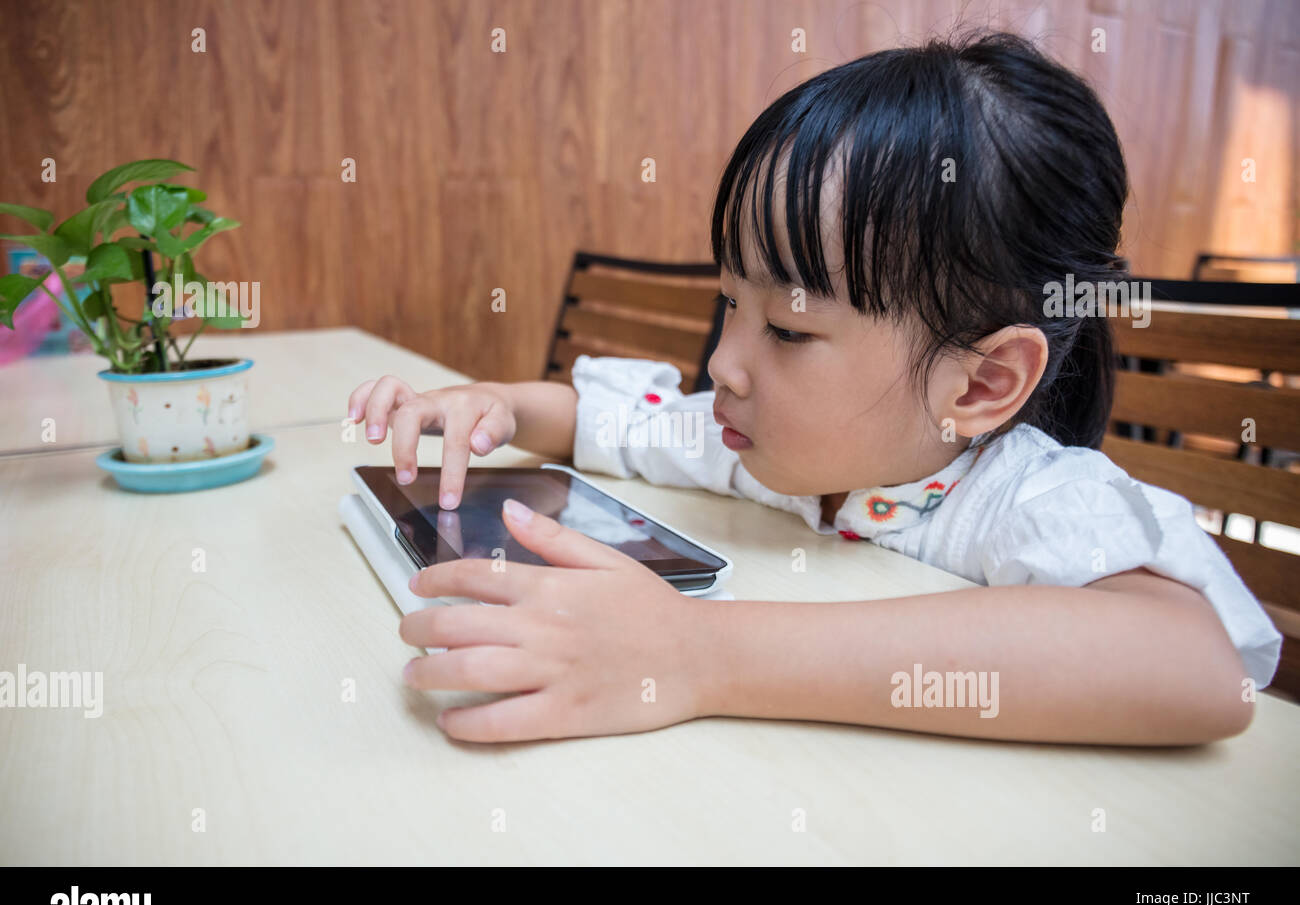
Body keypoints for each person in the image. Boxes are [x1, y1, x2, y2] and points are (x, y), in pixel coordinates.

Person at [347, 33, 1280, 745]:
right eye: (729, 305)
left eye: (789, 329)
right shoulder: (758, 442)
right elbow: (610, 421)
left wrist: (698, 655)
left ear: (984, 382)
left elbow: (1197, 669)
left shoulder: (1032, 499)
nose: (722, 363)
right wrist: (499, 405)